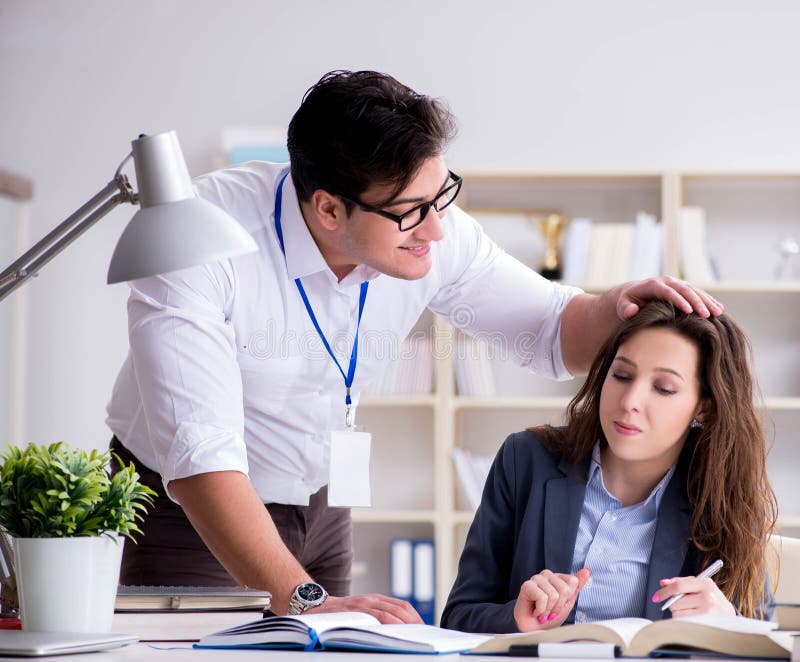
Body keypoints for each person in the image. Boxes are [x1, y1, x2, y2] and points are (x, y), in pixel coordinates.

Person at [106, 70, 722, 622]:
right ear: (328, 210)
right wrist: (304, 598)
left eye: (441, 196)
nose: (436, 229)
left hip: (321, 500)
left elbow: (549, 329)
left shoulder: (424, 224)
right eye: (411, 212)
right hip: (193, 512)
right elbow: (201, 454)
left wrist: (616, 307)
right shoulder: (198, 238)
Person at [441, 301, 777, 633]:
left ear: (704, 407)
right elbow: (459, 616)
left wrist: (728, 621)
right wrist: (516, 619)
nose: (629, 401)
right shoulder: (525, 460)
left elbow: (767, 638)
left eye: (663, 388)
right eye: (622, 375)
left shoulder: (721, 494)